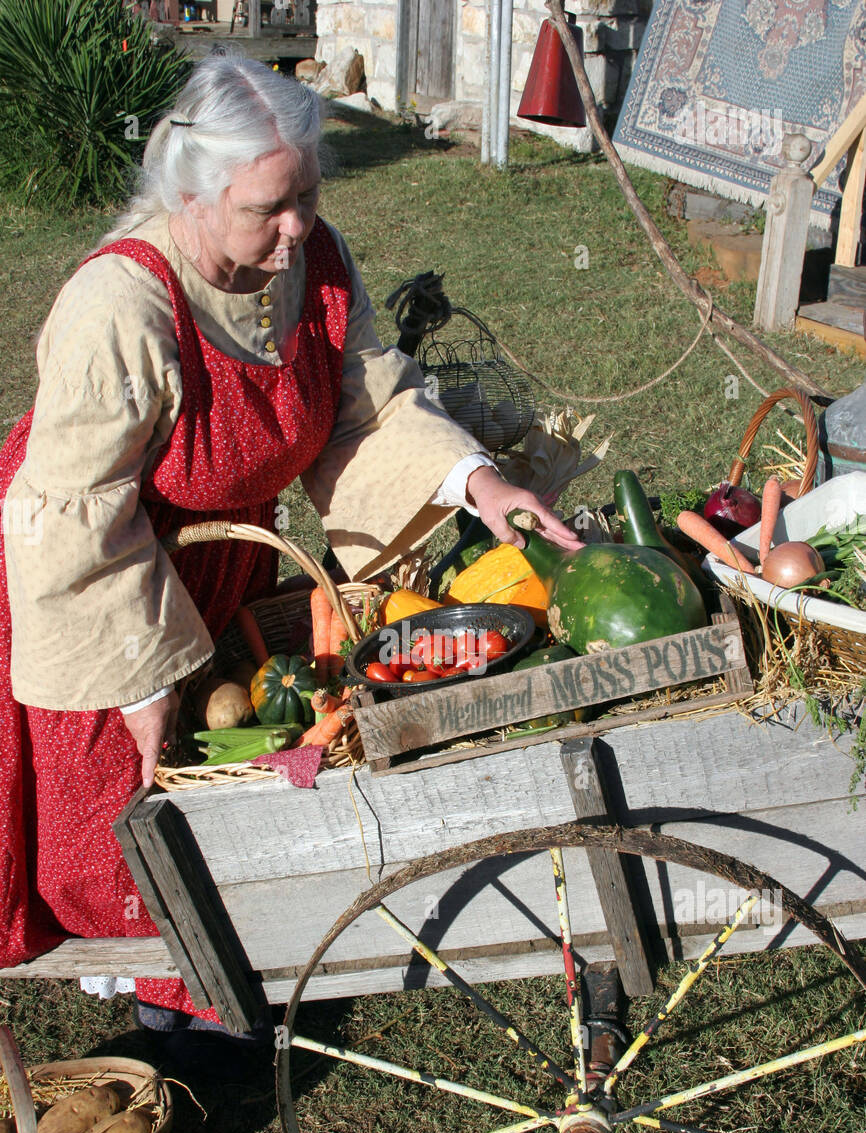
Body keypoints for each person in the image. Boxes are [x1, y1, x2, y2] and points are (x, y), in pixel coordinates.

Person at [0, 53, 580, 1032]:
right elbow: (78, 510)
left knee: (232, 766)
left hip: (222, 557)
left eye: (308, 194)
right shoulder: (120, 310)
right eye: (268, 206)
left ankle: (224, 988)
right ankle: (170, 1015)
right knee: (124, 812)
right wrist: (141, 677)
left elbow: (364, 403)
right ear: (190, 197)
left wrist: (475, 481)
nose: (297, 226)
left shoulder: (308, 268)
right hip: (99, 579)